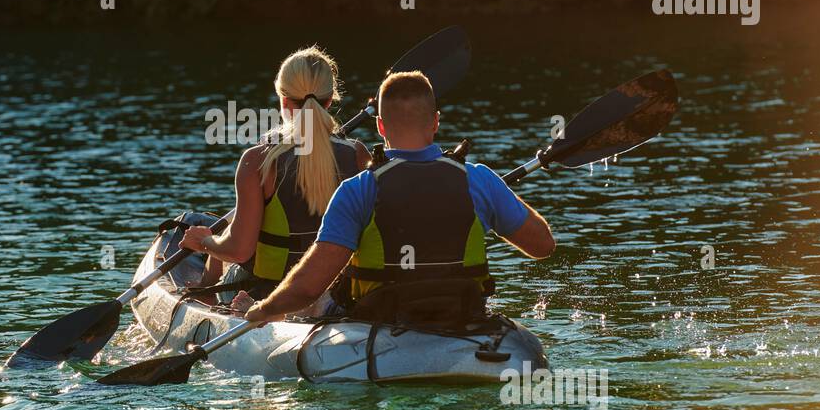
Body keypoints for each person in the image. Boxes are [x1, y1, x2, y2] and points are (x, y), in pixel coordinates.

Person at [244, 69, 555, 326]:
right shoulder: (480, 180)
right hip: (463, 316)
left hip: (381, 321)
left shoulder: (358, 190)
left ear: (380, 126)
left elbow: (308, 288)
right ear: (435, 121)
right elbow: (543, 246)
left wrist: (263, 309)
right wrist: (495, 197)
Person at [179, 46, 370, 303]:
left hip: (268, 290)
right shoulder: (358, 154)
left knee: (221, 243)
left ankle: (205, 293)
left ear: (283, 100)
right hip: (338, 293)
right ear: (329, 101)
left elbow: (238, 250)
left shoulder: (257, 160)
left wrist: (205, 242)